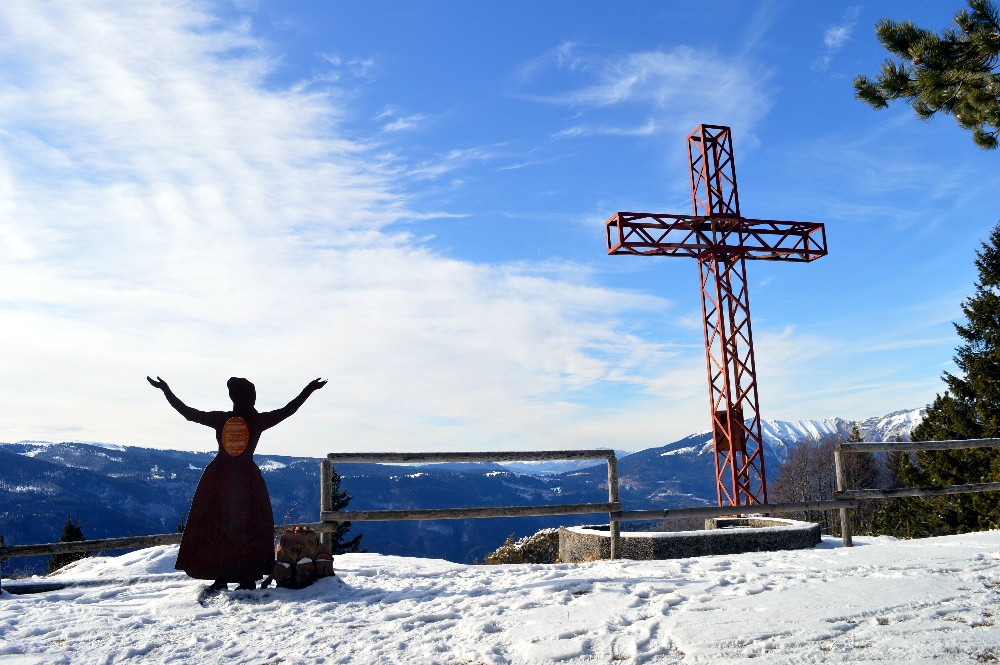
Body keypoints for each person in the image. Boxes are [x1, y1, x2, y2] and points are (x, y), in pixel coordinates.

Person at [147, 375, 326, 590]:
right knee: (247, 527)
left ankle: (227, 576)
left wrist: (166, 390)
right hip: (245, 480)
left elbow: (188, 413)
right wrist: (309, 389)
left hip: (220, 478)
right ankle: (243, 577)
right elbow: (288, 410)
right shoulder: (256, 420)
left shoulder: (224, 419)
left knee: (220, 527)